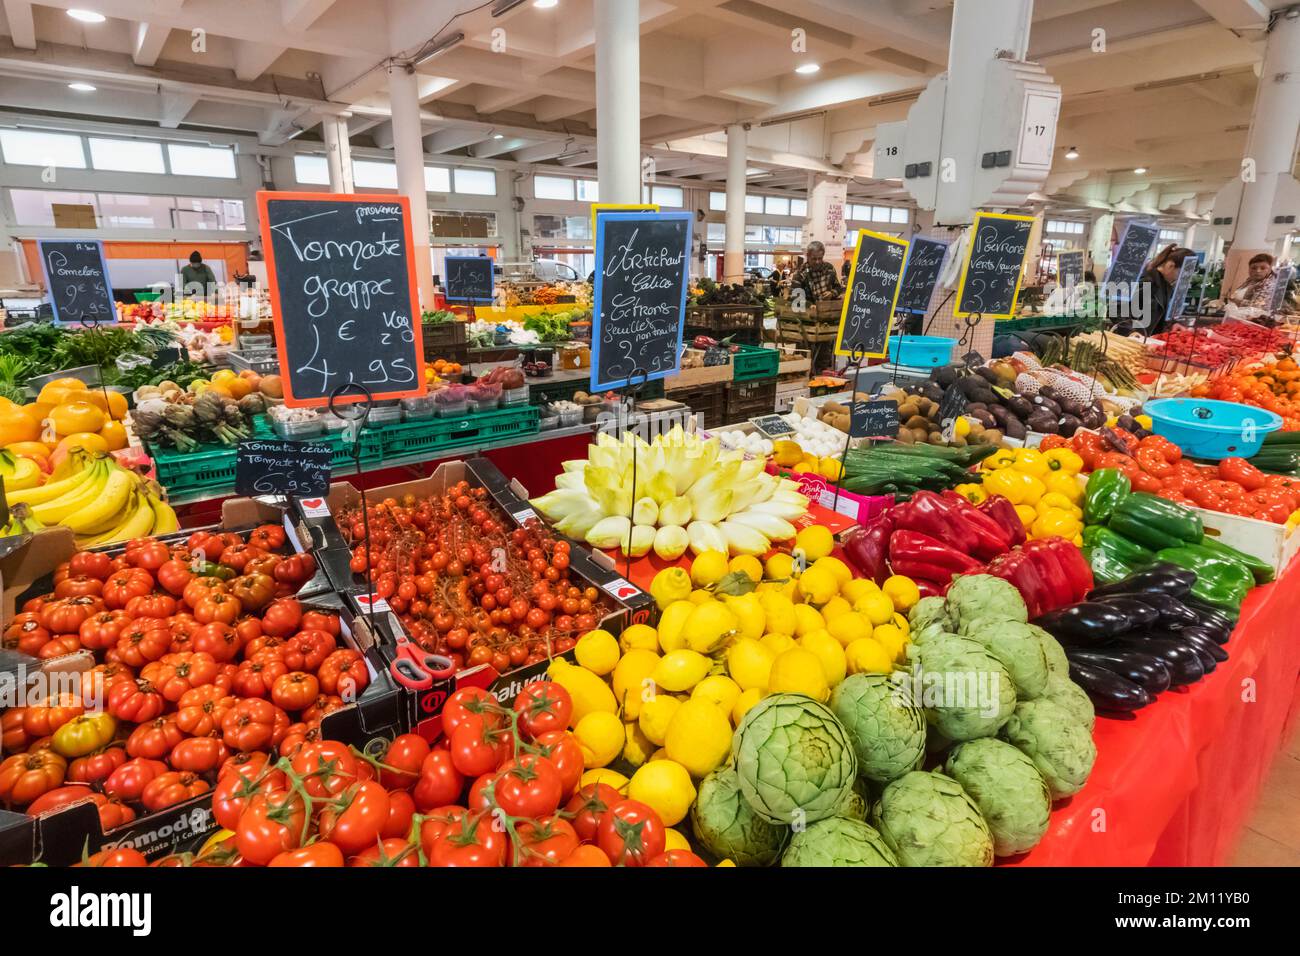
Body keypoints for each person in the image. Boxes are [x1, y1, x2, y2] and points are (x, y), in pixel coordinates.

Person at [1125, 244, 1193, 335]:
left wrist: (1173, 324)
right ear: (1171, 266)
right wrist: (1131, 332)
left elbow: (1160, 314)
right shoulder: (1147, 281)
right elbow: (1119, 309)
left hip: (1150, 340)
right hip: (1132, 341)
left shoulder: (1166, 285)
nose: (1181, 278)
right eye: (1180, 273)